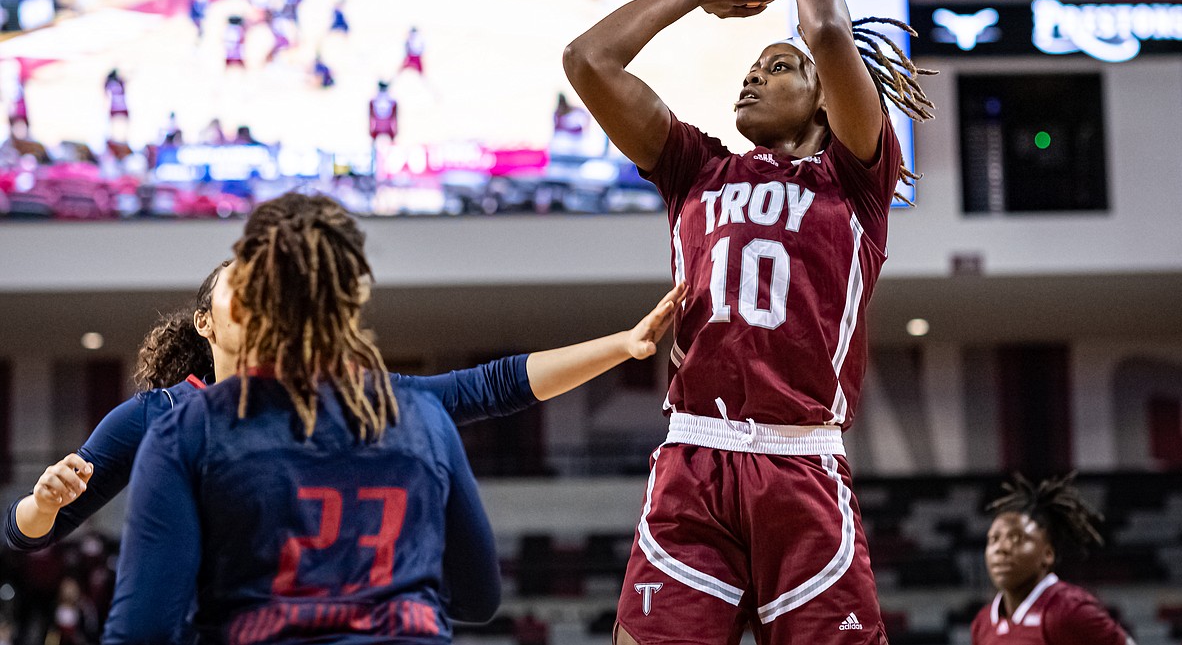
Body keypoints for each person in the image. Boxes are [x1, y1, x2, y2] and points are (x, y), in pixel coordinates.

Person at [562, 0, 934, 645]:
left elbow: (829, 35)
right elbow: (588, 61)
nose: (753, 73)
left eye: (779, 66)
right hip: (695, 455)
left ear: (829, 99)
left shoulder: (858, 181)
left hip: (803, 466)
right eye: (754, 64)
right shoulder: (697, 168)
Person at [6, 258, 684, 553]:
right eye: (240, 286)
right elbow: (29, 532)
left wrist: (622, 346)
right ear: (204, 322)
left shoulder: (344, 399)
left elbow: (487, 387)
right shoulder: (152, 417)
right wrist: (43, 498)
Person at [101, 192, 498, 643]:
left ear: (249, 300)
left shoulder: (188, 431)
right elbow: (478, 599)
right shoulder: (424, 420)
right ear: (351, 298)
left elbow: (142, 631)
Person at [972, 474, 1137, 645]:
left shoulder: (1070, 611)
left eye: (1016, 538)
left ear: (1048, 554)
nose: (1001, 548)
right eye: (993, 539)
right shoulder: (983, 623)